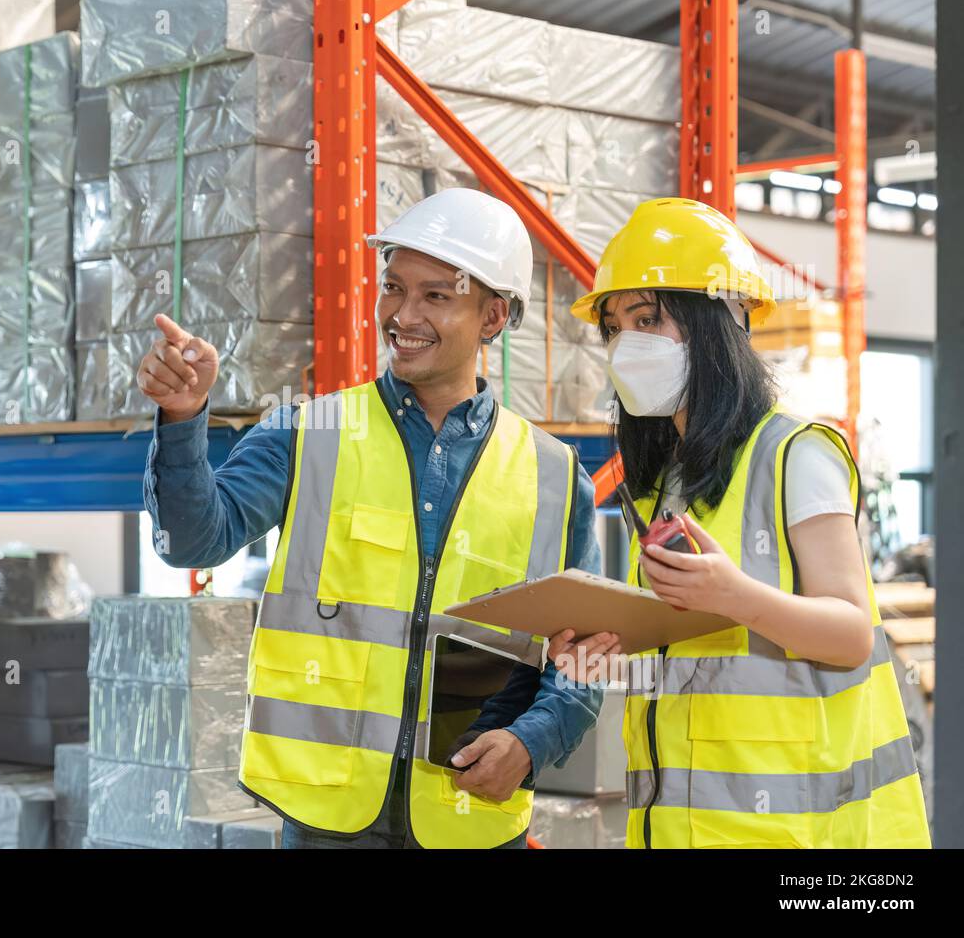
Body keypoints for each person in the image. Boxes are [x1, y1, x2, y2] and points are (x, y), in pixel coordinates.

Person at [139, 188, 608, 849]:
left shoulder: (554, 475)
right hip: (328, 817)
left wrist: (533, 741)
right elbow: (192, 541)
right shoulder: (313, 430)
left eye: (435, 296)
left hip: (470, 818)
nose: (401, 314)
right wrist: (185, 419)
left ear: (493, 316)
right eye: (393, 288)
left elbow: (584, 653)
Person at [549, 197, 932, 849]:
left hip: (793, 835)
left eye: (648, 318)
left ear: (719, 320)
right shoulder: (664, 480)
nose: (626, 345)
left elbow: (851, 635)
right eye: (614, 327)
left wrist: (734, 595)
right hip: (676, 829)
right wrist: (603, 660)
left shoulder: (794, 454)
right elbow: (694, 657)